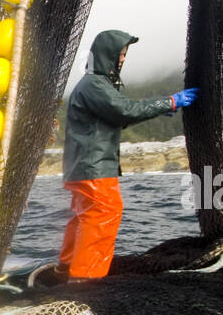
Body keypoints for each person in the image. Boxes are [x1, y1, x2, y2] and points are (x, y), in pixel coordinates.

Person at [33, 30, 197, 284]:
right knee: (104, 212)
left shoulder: (92, 85)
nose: (122, 59)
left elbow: (113, 117)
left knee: (84, 217)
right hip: (95, 167)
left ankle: (65, 271)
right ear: (105, 55)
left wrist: (156, 107)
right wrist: (170, 102)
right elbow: (125, 110)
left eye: (124, 55)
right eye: (119, 54)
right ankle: (86, 283)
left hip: (81, 167)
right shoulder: (94, 84)